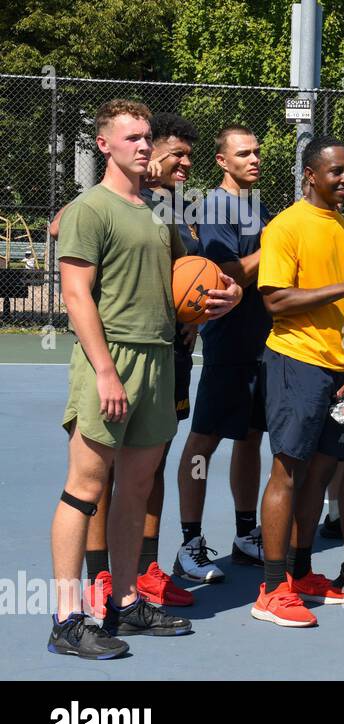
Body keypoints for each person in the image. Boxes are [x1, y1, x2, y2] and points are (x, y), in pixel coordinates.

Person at [48, 99, 239, 658]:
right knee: (84, 489)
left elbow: (189, 279)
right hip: (110, 362)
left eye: (145, 135)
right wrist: (105, 371)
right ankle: (66, 617)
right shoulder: (90, 208)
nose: (141, 144)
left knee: (135, 488)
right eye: (130, 136)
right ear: (104, 144)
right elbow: (76, 294)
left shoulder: (160, 211)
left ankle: (126, 602)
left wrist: (222, 296)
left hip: (159, 362)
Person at [250, 136, 344, 627]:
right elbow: (275, 301)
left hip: (336, 369)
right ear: (311, 175)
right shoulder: (286, 226)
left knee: (321, 472)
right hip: (296, 362)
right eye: (336, 172)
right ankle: (270, 587)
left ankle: (301, 571)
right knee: (288, 470)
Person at [81, 111, 206, 615]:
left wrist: (199, 303)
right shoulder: (111, 202)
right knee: (105, 470)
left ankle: (146, 569)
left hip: (168, 351)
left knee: (148, 466)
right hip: (121, 351)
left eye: (187, 157)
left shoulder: (172, 209)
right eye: (174, 153)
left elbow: (186, 276)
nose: (183, 163)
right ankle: (100, 575)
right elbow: (62, 225)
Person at [173, 124, 273, 582]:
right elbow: (224, 273)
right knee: (204, 442)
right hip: (229, 344)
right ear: (222, 161)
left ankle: (245, 533)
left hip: (263, 341)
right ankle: (190, 543)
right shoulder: (215, 205)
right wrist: (274, 248)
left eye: (256, 152)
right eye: (243, 153)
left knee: (251, 438)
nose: (253, 159)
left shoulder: (259, 206)